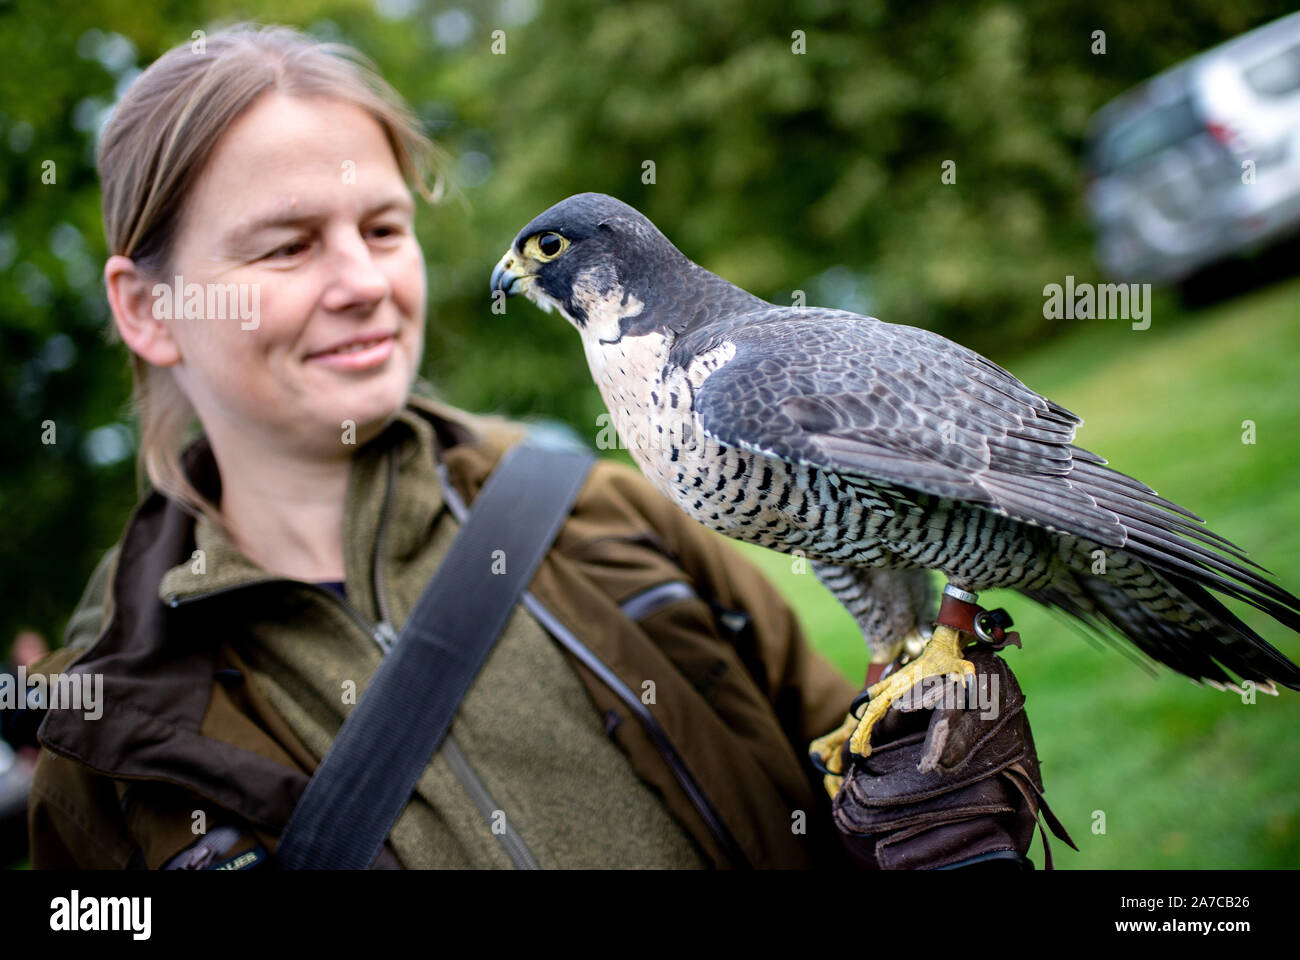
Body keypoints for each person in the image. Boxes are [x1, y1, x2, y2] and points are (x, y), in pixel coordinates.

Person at [26, 23, 1054, 870]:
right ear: (150, 309)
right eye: (289, 244)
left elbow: (850, 778)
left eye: (384, 230)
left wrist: (926, 831)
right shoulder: (110, 733)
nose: (361, 281)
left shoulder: (610, 516)